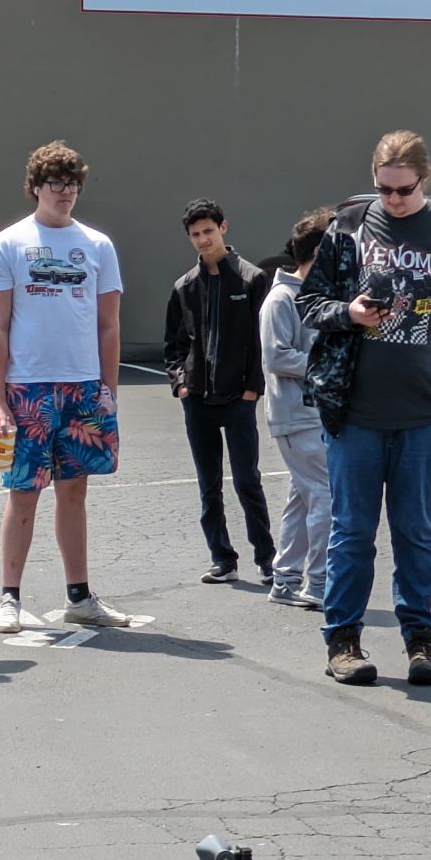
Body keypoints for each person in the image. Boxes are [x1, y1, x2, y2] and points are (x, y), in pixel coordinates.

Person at [298, 130, 431, 686]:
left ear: (424, 180)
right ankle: (343, 641)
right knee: (352, 532)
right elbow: (309, 303)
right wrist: (349, 313)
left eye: (404, 190)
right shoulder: (349, 227)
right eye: (384, 189)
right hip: (354, 413)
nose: (394, 200)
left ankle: (421, 640)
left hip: (427, 414)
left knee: (415, 532)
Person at [0, 140, 130, 632]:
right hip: (28, 389)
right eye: (54, 183)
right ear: (35, 188)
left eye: (71, 184)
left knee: (74, 492)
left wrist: (108, 388)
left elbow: (108, 324)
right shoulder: (8, 244)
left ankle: (79, 596)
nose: (64, 192)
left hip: (83, 387)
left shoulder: (98, 246)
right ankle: (8, 597)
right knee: (23, 490)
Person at [165, 198, 275, 584]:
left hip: (239, 399)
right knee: (208, 486)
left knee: (247, 481)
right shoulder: (185, 286)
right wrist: (180, 384)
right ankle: (223, 559)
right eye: (195, 234)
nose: (203, 239)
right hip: (198, 401)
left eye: (208, 231)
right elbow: (174, 344)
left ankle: (267, 559)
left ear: (223, 228)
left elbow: (261, 340)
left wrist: (253, 388)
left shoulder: (251, 279)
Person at [260, 209, 334, 610]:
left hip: (313, 414)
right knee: (326, 495)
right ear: (318, 252)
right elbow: (276, 357)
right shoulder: (281, 299)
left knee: (304, 497)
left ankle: (286, 579)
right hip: (295, 415)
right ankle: (318, 583)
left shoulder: (314, 296)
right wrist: (327, 365)